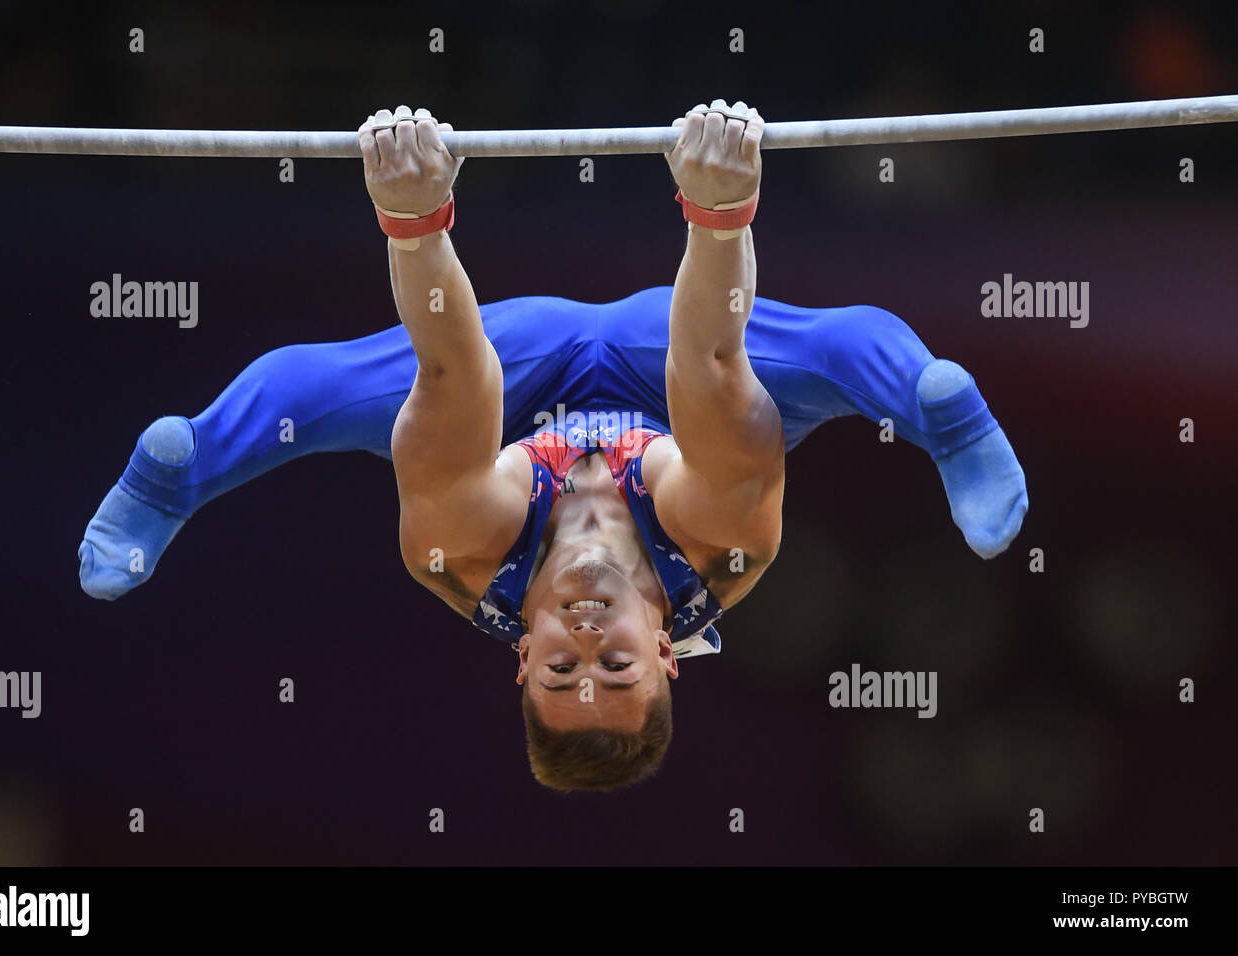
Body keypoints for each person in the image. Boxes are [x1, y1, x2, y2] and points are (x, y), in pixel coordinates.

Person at [78, 100, 1028, 791]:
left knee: (330, 392)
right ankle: (950, 418)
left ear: (520, 662)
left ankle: (176, 471)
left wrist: (413, 220)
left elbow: (458, 376)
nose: (584, 644)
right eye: (614, 668)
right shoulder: (723, 548)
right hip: (673, 356)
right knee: (823, 350)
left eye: (561, 670)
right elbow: (706, 363)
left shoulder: (459, 556)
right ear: (666, 651)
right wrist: (720, 209)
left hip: (517, 374)